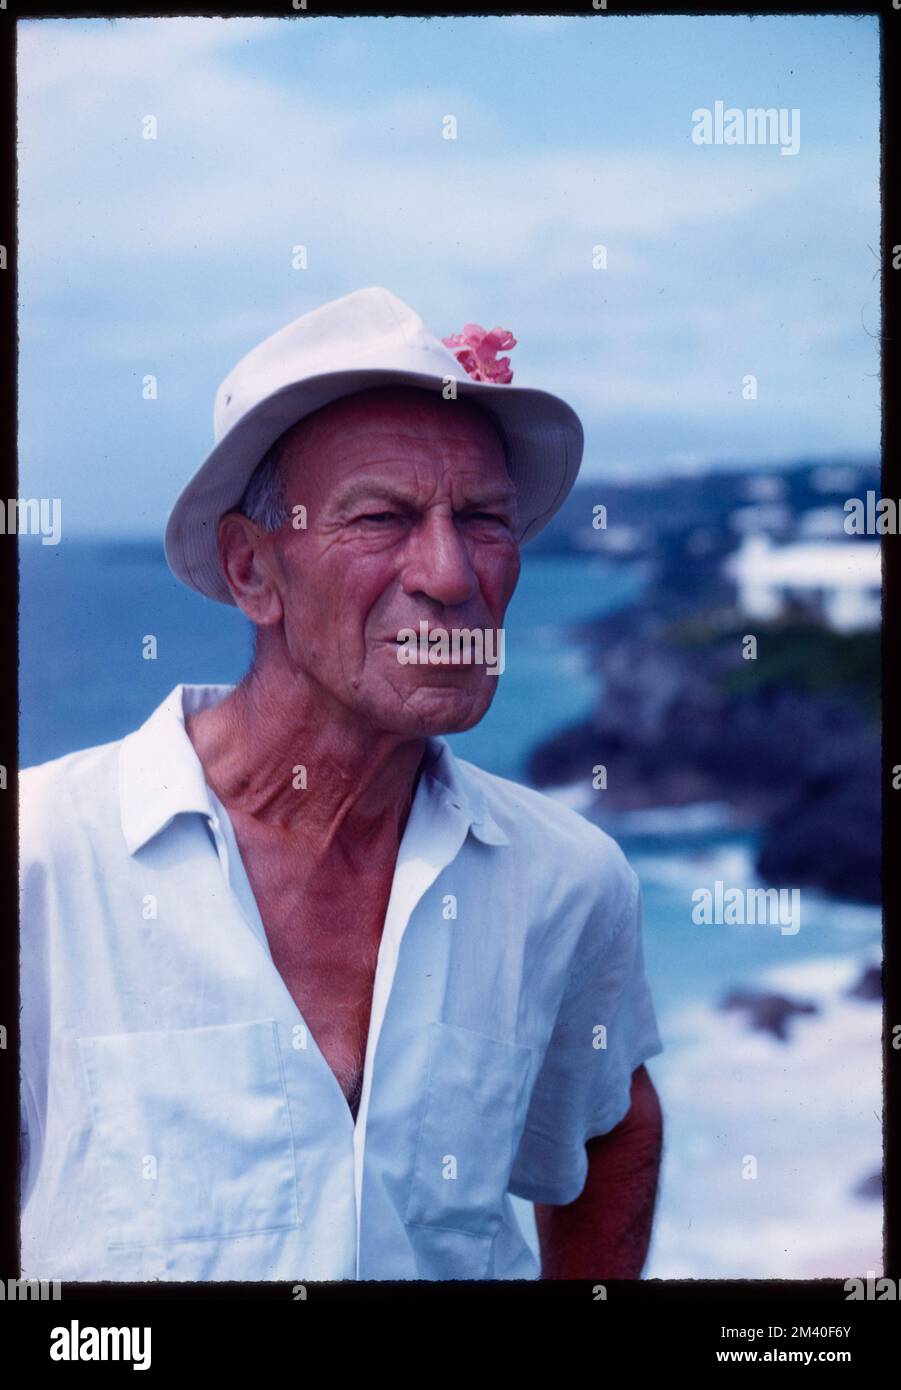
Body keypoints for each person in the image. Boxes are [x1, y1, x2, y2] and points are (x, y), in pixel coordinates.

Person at [20, 286, 664, 1282]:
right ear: (252, 572)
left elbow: (605, 1128)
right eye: (382, 518)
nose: (452, 574)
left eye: (486, 520)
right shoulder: (45, 855)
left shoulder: (566, 880)